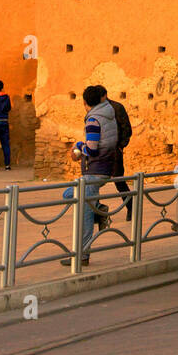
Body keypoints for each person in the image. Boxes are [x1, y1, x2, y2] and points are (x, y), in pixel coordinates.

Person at [60, 85, 118, 267]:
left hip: (95, 169)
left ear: (85, 102)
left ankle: (82, 255)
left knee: (82, 211)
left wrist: (78, 146)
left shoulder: (94, 119)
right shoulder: (109, 114)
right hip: (105, 167)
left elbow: (92, 149)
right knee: (71, 195)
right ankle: (99, 209)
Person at [98, 86, 133, 223]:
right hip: (101, 151)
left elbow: (127, 128)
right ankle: (98, 211)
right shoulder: (97, 110)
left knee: (118, 180)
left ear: (105, 95)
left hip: (115, 150)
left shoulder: (117, 108)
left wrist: (120, 146)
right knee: (95, 181)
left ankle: (130, 206)